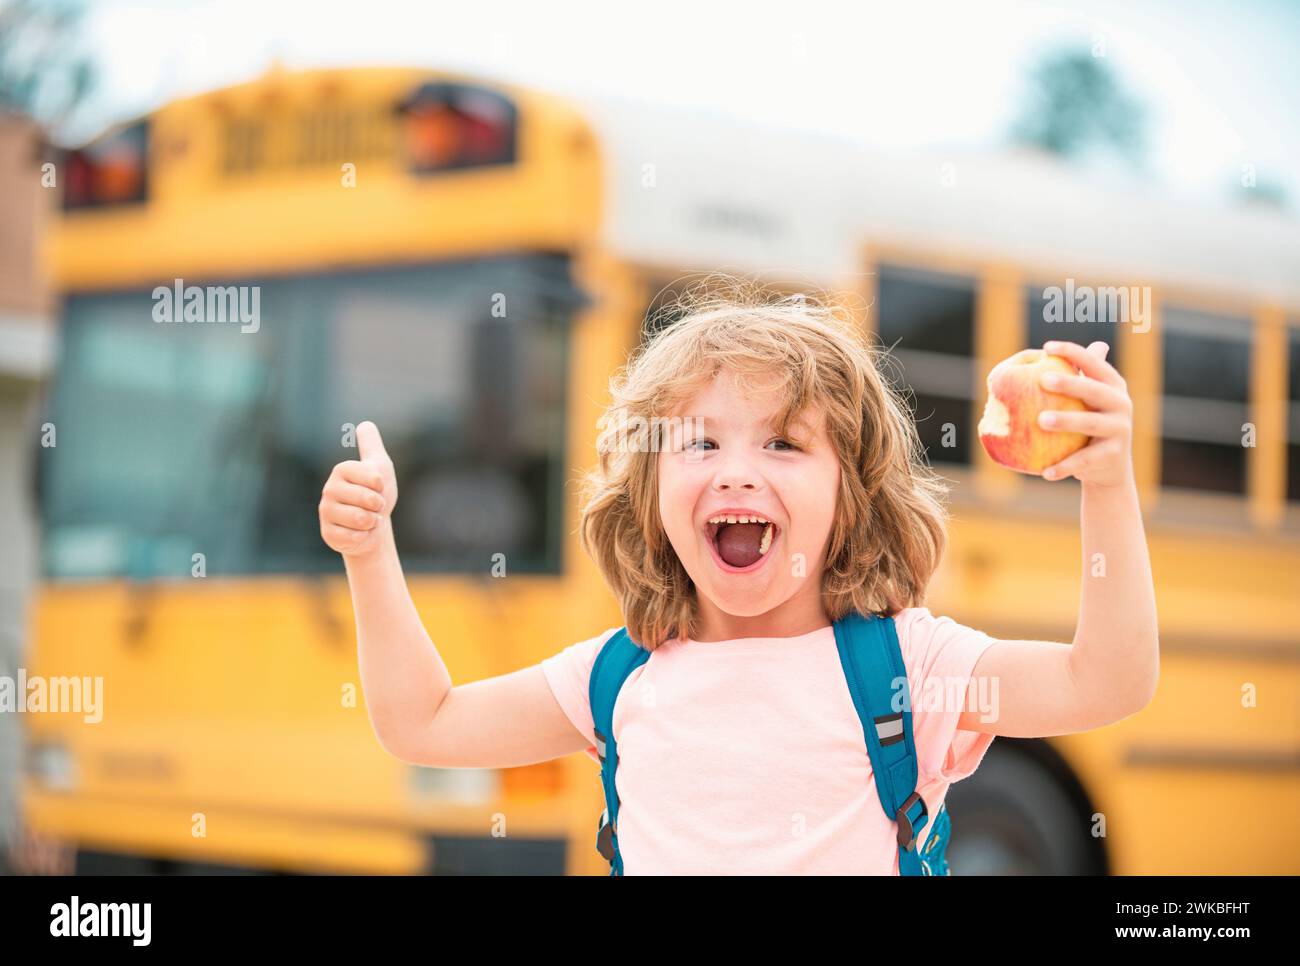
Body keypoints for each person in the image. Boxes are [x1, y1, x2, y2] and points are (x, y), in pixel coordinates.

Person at [317, 284, 1158, 874]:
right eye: (699, 443)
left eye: (784, 443)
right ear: (648, 492)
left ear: (850, 490)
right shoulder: (615, 677)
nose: (736, 473)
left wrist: (1108, 484)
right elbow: (421, 722)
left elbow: (1107, 680)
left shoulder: (908, 670)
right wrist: (369, 554)